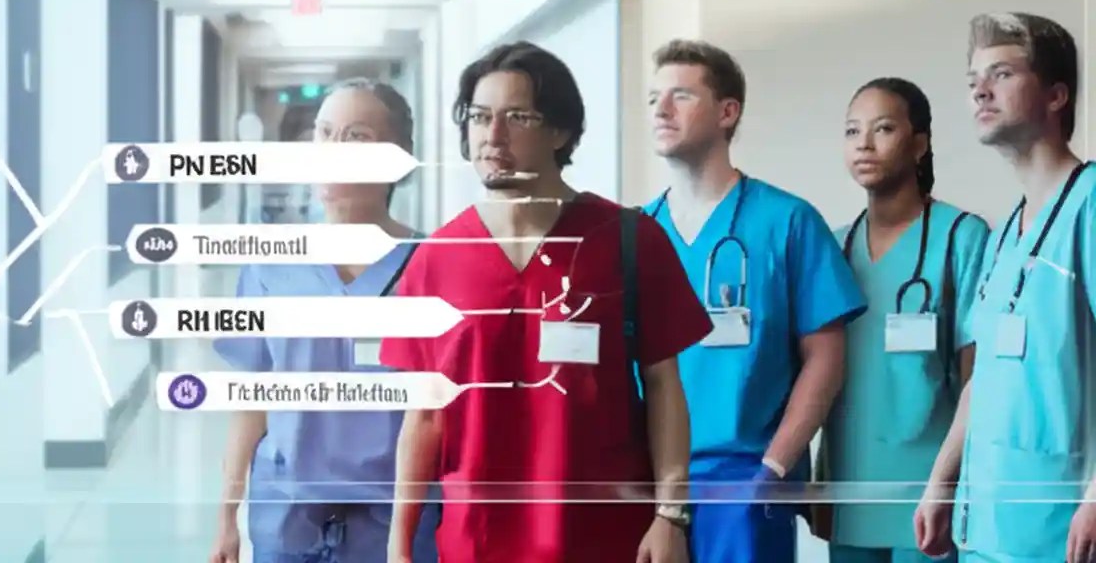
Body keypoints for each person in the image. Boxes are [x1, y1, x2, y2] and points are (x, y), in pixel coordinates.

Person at [380, 41, 712, 563]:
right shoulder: (436, 260)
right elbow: (423, 418)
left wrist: (670, 515)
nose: (493, 136)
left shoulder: (629, 240)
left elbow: (665, 384)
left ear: (560, 131)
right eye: (479, 117)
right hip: (476, 541)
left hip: (605, 539)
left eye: (517, 117)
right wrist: (399, 543)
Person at [642, 39, 867, 563]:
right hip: (650, 489)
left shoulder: (787, 222)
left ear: (728, 112)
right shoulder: (638, 233)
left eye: (681, 95)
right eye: (654, 97)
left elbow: (826, 358)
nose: (661, 109)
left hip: (743, 482)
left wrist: (775, 467)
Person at [209, 79, 440, 563]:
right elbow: (253, 395)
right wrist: (225, 518)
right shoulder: (270, 263)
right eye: (324, 132)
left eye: (356, 136)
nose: (333, 149)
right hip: (287, 522)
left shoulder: (434, 264)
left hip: (393, 528)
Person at [914, 12, 1096, 563]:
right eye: (973, 81)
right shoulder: (1001, 238)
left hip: (1060, 535)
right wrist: (941, 480)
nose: (980, 92)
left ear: (1056, 95)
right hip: (984, 532)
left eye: (1001, 75)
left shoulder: (1088, 208)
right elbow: (984, 378)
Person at [816, 77, 989, 563]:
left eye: (883, 128)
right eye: (852, 132)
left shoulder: (961, 237)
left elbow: (981, 375)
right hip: (851, 488)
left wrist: (957, 481)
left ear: (920, 144)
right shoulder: (835, 247)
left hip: (931, 495)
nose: (864, 144)